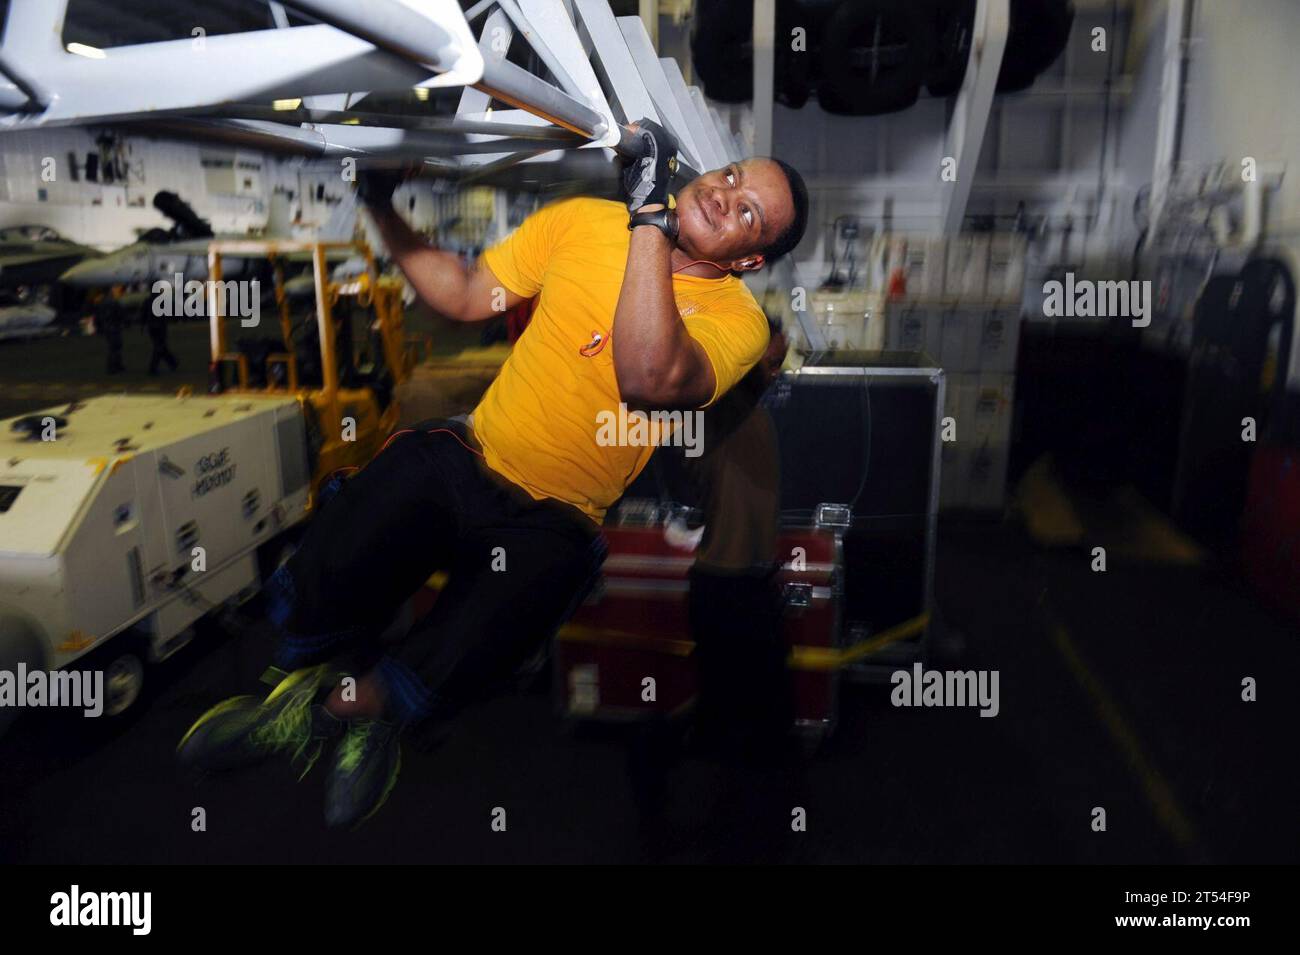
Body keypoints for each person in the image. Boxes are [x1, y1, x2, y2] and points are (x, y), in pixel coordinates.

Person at [178, 121, 810, 828]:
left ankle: (354, 713)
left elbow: (650, 374)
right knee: (377, 501)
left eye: (748, 212)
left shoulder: (739, 321)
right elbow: (469, 293)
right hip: (474, 455)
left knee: (495, 624)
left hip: (560, 514)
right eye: (730, 175)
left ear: (751, 261)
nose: (726, 197)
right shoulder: (583, 222)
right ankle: (290, 688)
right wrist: (382, 206)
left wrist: (650, 223)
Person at [685, 319, 791, 760]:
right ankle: (651, 756)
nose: (777, 373)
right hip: (726, 587)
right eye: (770, 363)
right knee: (733, 718)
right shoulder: (717, 412)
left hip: (747, 582)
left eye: (781, 363)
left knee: (739, 716)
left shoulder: (755, 415)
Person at [142, 281, 179, 375]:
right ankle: (162, 365)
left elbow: (143, 315)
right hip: (160, 326)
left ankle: (172, 363)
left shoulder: (148, 300)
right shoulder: (162, 300)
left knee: (159, 346)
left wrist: (142, 326)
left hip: (152, 326)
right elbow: (171, 310)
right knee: (160, 346)